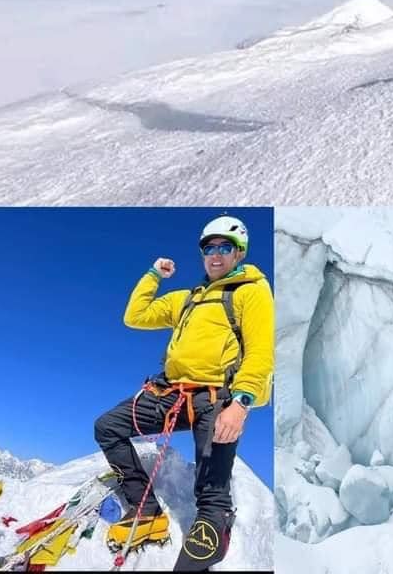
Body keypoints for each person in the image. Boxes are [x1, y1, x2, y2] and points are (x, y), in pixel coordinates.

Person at [93, 216, 274, 571]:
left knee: (211, 491)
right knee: (108, 427)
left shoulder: (251, 290)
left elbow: (261, 351)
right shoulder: (187, 299)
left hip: (215, 400)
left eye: (225, 247)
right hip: (170, 395)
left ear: (239, 253)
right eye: (209, 248)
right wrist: (153, 275)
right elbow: (135, 316)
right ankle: (145, 510)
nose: (216, 255)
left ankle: (211, 531)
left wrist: (241, 403)